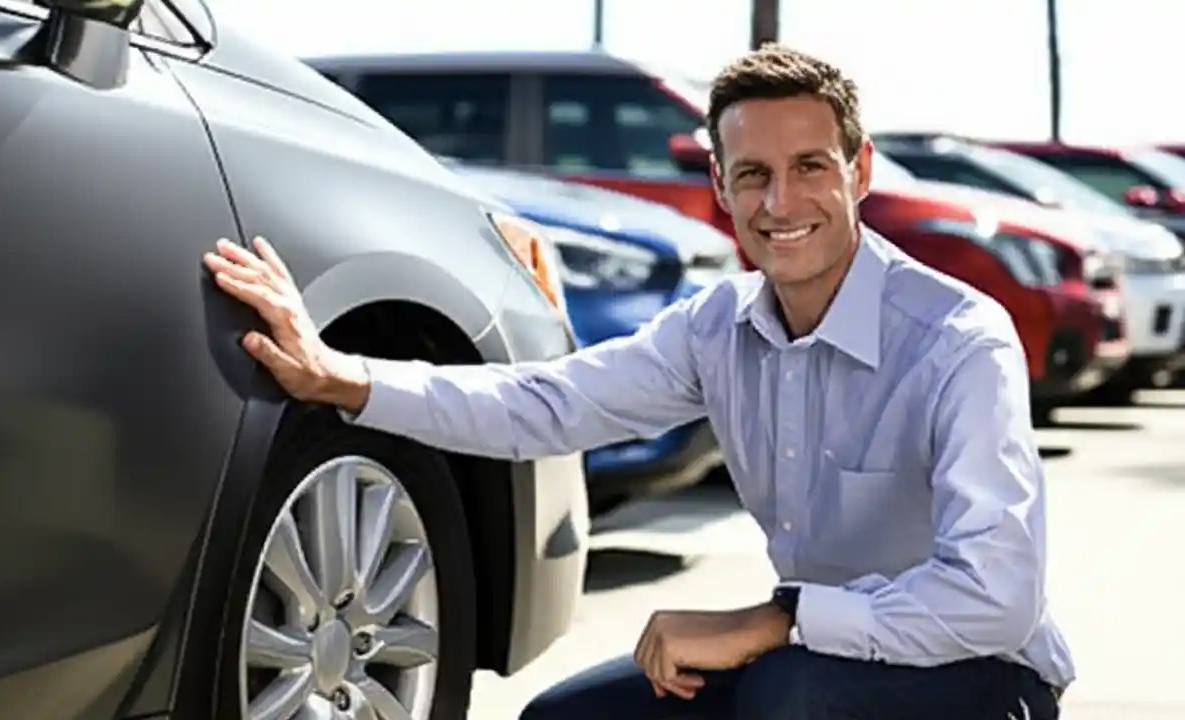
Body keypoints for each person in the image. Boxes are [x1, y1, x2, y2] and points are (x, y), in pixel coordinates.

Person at [202, 43, 1074, 720]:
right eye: (753, 175)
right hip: (815, 663)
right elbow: (546, 405)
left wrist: (774, 621)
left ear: (860, 171)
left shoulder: (958, 341)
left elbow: (995, 597)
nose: (782, 202)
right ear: (723, 192)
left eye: (811, 166)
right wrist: (341, 378)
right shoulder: (719, 327)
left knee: (791, 698)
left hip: (981, 683)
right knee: (569, 716)